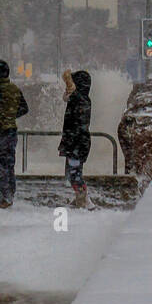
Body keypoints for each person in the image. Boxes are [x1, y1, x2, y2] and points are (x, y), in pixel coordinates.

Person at [0, 59, 29, 208]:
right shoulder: (15, 89)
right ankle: (9, 195)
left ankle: (2, 198)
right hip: (11, 132)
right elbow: (24, 108)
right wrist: (10, 116)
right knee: (9, 164)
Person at [58, 69, 93, 208]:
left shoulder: (80, 99)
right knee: (73, 172)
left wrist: (69, 84)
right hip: (75, 142)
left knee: (74, 173)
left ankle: (84, 200)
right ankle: (80, 197)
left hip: (76, 143)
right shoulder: (82, 98)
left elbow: (77, 123)